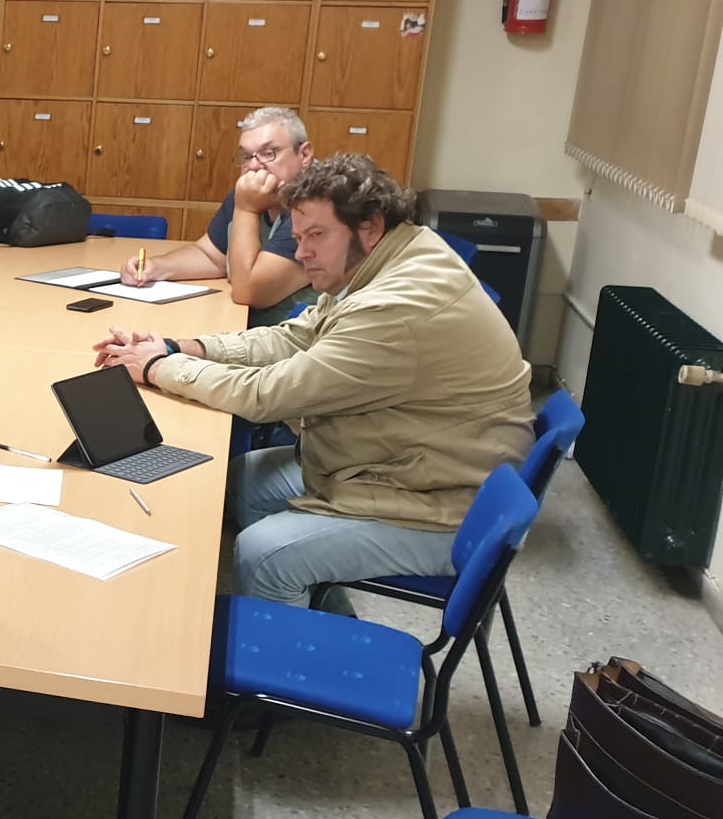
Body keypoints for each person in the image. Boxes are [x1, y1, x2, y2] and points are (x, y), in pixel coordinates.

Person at [93, 154, 535, 608]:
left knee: (264, 555)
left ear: (370, 227)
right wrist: (183, 347)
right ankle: (320, 612)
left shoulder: (395, 307)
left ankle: (278, 668)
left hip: (440, 506)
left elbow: (269, 395)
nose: (301, 253)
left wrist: (154, 368)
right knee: (233, 481)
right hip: (403, 457)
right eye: (298, 237)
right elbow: (295, 337)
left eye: (316, 236)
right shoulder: (393, 255)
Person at [120, 105, 316, 327]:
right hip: (241, 328)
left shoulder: (315, 204)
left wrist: (247, 209)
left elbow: (249, 292)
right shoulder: (249, 195)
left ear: (304, 155)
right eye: (246, 156)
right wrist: (157, 267)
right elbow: (211, 255)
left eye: (268, 153)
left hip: (290, 344)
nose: (253, 166)